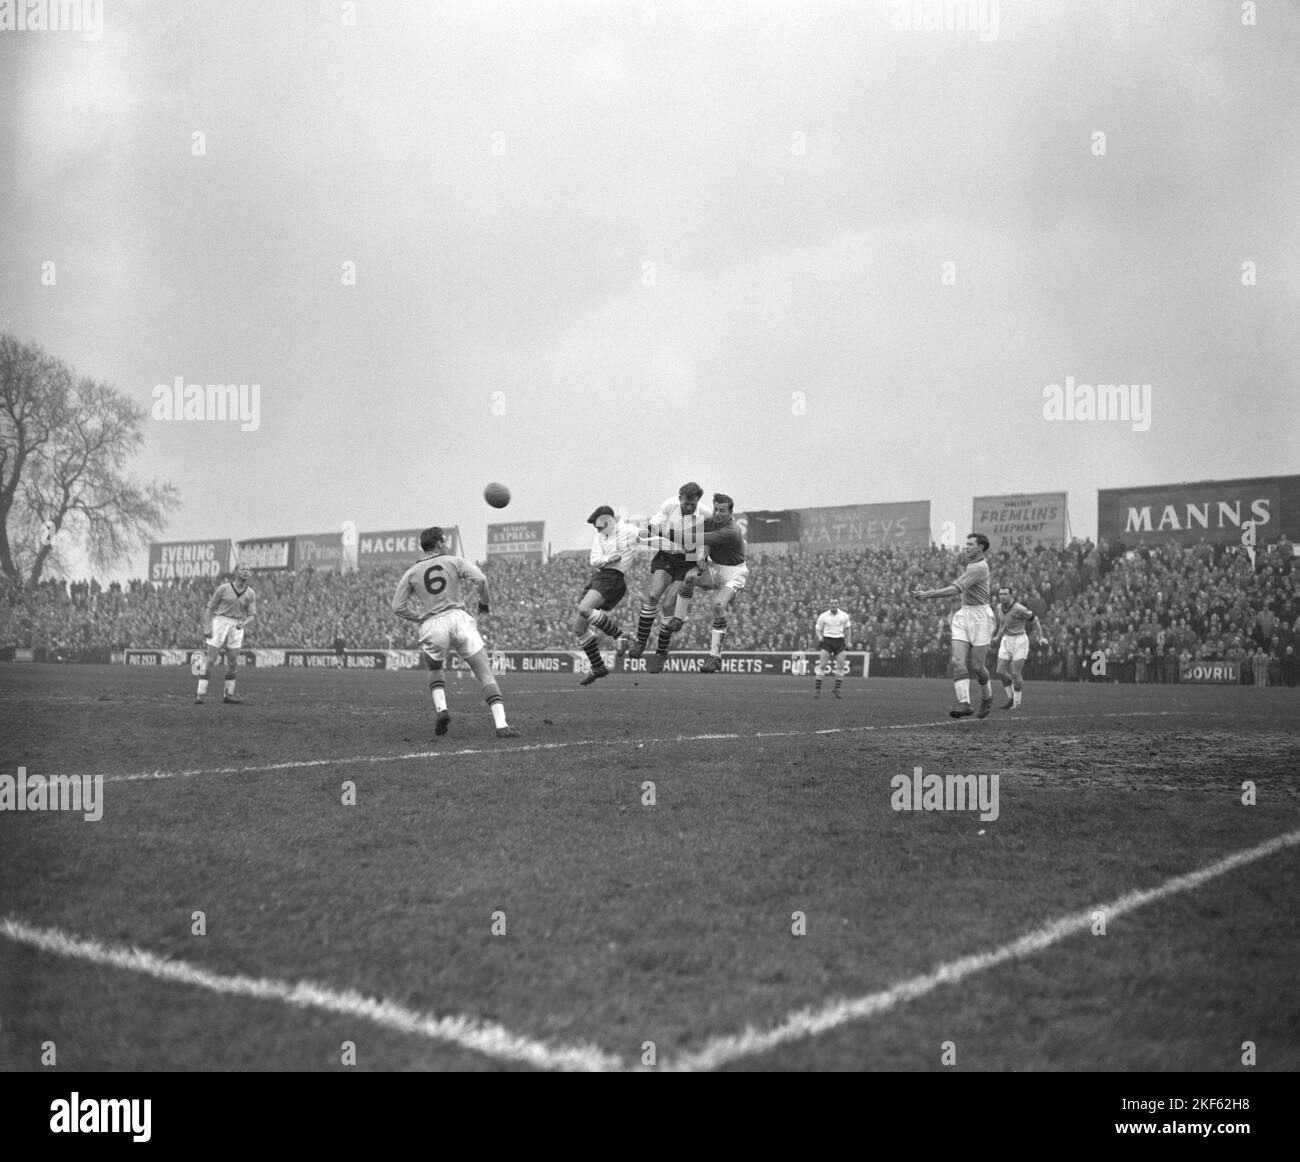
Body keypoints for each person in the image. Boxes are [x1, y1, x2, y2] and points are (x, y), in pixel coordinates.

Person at [391, 526, 519, 739]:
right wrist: (484, 604)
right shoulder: (453, 561)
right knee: (484, 673)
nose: (446, 544)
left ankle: (442, 709)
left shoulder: (411, 573)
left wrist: (418, 617)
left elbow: (397, 606)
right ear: (439, 544)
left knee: (434, 668)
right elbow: (481, 579)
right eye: (444, 541)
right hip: (459, 618)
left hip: (433, 624)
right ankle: (502, 724)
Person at [629, 482, 711, 673]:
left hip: (688, 560)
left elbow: (707, 539)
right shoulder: (669, 505)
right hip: (667, 555)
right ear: (680, 498)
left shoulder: (705, 514)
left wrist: (702, 556)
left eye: (693, 504)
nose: (689, 507)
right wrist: (649, 529)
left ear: (698, 501)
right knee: (652, 596)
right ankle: (641, 642)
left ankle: (661, 652)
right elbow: (656, 523)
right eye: (686, 503)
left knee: (668, 605)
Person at [662, 493, 749, 673]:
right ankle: (678, 620)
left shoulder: (731, 531)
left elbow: (699, 538)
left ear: (730, 512)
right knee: (689, 578)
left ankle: (714, 658)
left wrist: (663, 531)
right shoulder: (710, 522)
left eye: (722, 511)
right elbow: (699, 535)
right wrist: (702, 555)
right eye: (716, 509)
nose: (717, 513)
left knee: (718, 605)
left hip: (733, 573)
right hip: (715, 567)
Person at [912, 533, 995, 718]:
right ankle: (964, 703)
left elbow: (955, 589)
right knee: (958, 661)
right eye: (966, 543)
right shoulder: (971, 565)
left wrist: (927, 594)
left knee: (977, 666)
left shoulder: (980, 567)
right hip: (964, 614)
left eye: (970, 544)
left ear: (981, 547)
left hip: (981, 617)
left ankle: (987, 697)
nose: (966, 547)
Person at [575, 505, 640, 686]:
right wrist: (608, 558)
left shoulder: (629, 531)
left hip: (613, 577)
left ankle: (620, 636)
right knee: (579, 628)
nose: (597, 529)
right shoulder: (600, 536)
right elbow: (594, 560)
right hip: (600, 576)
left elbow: (650, 538)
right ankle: (598, 667)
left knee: (584, 608)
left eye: (599, 525)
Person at [196, 562, 256, 704]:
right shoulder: (223, 588)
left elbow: (252, 615)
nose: (246, 572)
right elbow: (209, 608)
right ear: (236, 572)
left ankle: (228, 695)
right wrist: (207, 626)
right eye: (243, 569)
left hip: (237, 625)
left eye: (248, 569)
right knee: (211, 659)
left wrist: (244, 623)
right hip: (220, 623)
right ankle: (200, 694)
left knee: (233, 662)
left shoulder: (250, 593)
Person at [991, 585, 1045, 709]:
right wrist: (998, 637)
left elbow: (1035, 620)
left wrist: (1040, 637)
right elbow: (1002, 624)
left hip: (1019, 640)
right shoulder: (999, 608)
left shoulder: (1019, 608)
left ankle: (1017, 703)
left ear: (1011, 595)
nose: (1002, 596)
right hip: (1006, 639)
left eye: (1005, 594)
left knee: (1015, 673)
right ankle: (1011, 699)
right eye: (1001, 594)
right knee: (999, 671)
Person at [813, 601, 852, 698]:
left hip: (839, 641)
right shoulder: (823, 616)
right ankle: (818, 691)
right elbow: (818, 628)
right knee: (822, 665)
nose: (833, 605)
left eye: (835, 603)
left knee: (841, 666)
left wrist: (848, 641)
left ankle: (836, 689)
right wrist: (820, 637)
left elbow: (847, 629)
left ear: (838, 604)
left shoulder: (844, 615)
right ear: (829, 605)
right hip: (827, 641)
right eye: (831, 603)